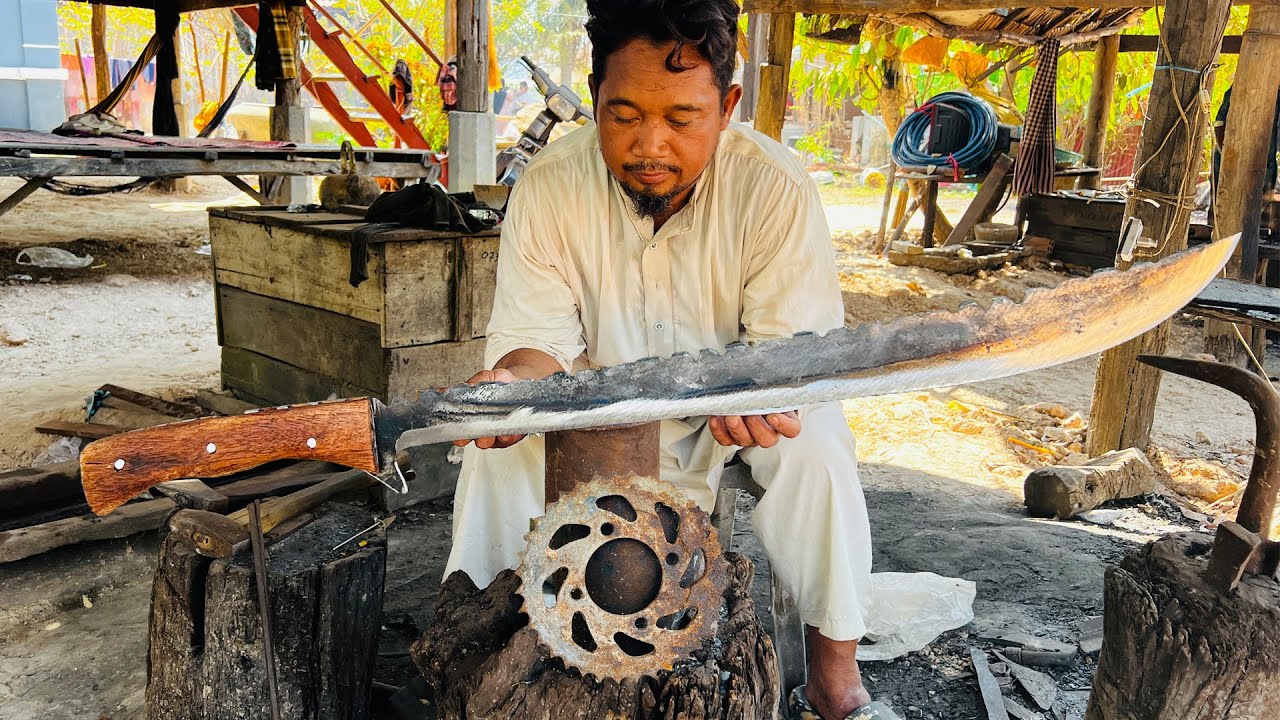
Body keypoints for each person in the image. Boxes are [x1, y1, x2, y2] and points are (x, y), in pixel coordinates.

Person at [446, 1, 896, 718]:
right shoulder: (550, 187)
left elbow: (790, 359)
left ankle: (834, 679)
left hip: (733, 414)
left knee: (816, 450)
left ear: (728, 105)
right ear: (593, 101)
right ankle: (480, 650)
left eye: (682, 119)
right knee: (494, 449)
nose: (649, 144)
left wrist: (763, 393)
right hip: (594, 418)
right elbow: (538, 347)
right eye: (622, 116)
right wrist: (514, 386)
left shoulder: (773, 190)